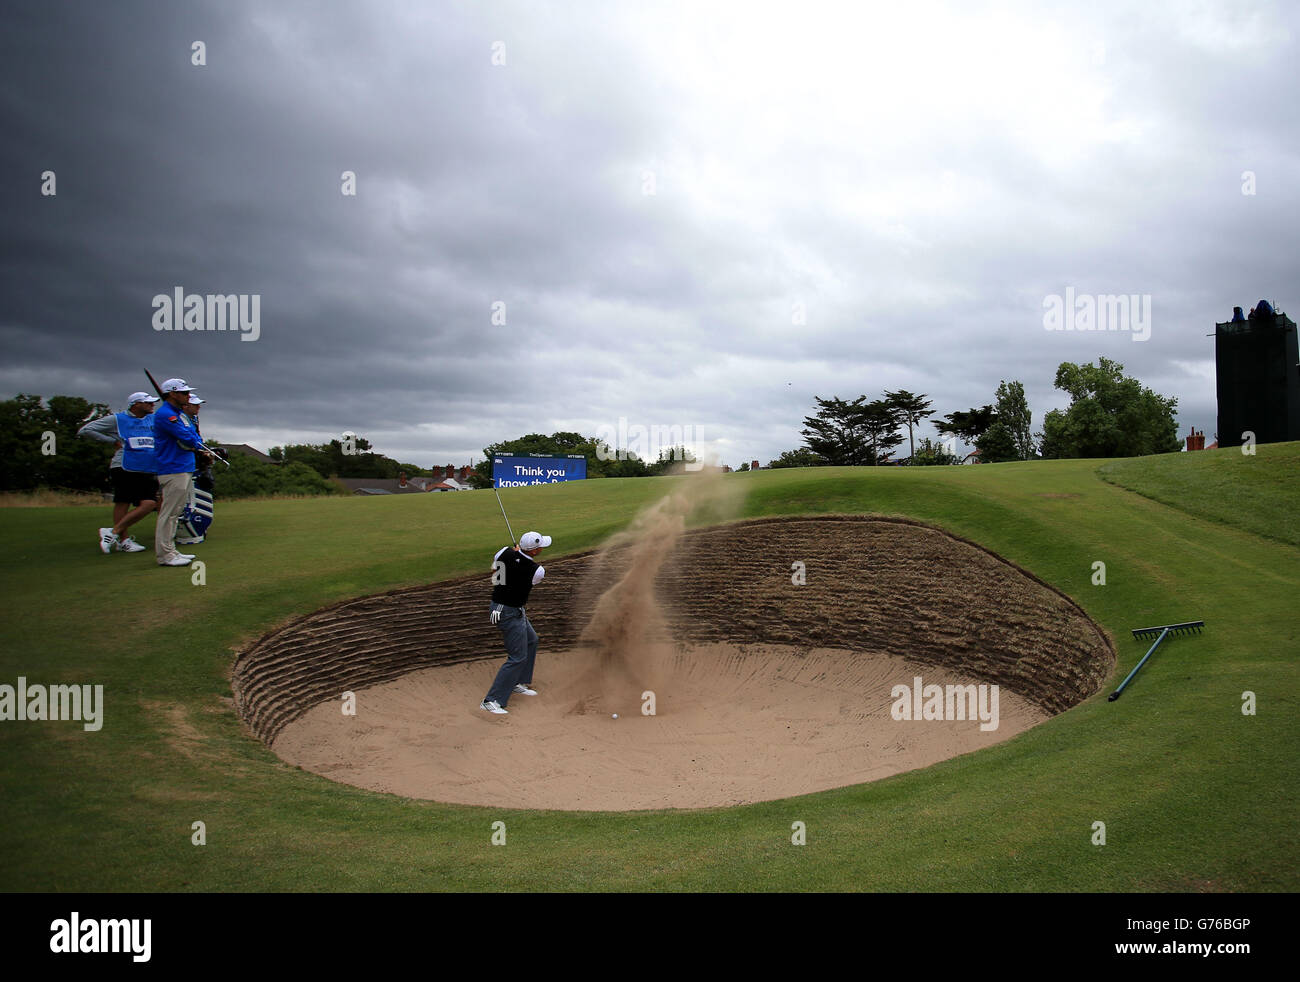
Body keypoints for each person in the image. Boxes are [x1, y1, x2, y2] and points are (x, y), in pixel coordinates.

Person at [76, 391, 161, 554]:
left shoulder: (154, 418)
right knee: (123, 502)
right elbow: (86, 430)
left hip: (146, 467)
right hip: (124, 466)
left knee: (149, 504)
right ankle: (123, 541)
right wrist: (112, 441)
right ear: (136, 404)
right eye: (147, 402)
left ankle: (113, 532)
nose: (152, 404)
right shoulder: (118, 419)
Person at [480, 530, 552, 714]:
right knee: (517, 657)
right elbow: (530, 580)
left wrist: (515, 554)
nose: (543, 548)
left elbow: (496, 568)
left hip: (499, 607)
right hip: (509, 612)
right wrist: (520, 557)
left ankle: (517, 682)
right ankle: (491, 700)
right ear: (534, 551)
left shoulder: (504, 552)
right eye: (540, 546)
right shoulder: (537, 571)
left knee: (531, 640)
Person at [151, 378, 202, 567]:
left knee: (175, 513)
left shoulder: (179, 413)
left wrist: (196, 442)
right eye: (184, 393)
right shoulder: (166, 414)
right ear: (172, 394)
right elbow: (187, 437)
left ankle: (170, 550)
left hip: (183, 466)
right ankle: (165, 554)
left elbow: (193, 434)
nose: (188, 396)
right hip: (172, 467)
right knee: (169, 513)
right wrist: (197, 444)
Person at [176, 396, 216, 545]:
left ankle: (195, 529)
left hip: (193, 465)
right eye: (195, 405)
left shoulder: (193, 420)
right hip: (178, 466)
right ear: (185, 406)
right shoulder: (179, 420)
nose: (198, 408)